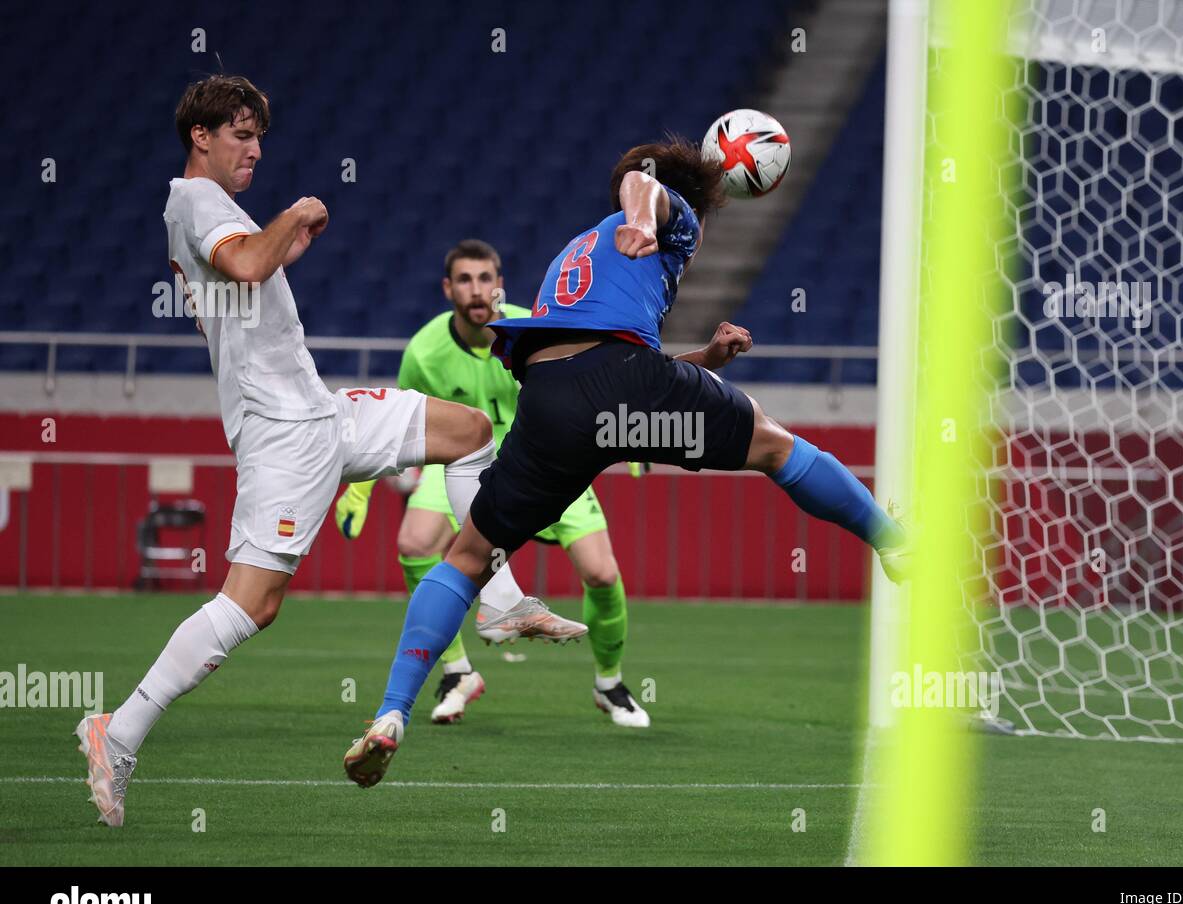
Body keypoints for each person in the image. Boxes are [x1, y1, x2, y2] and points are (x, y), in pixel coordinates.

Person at [343, 134, 908, 789]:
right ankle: (894, 542)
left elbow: (605, 357)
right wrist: (647, 217)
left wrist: (702, 362)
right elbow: (643, 192)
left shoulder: (570, 254)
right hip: (625, 394)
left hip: (556, 406)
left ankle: (390, 714)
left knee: (466, 558)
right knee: (777, 446)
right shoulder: (669, 215)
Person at [75, 74, 560, 827]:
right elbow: (242, 267)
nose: (255, 148)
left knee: (468, 432)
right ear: (200, 137)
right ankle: (119, 730)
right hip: (284, 434)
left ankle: (497, 606)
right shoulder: (197, 199)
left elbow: (242, 281)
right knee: (251, 606)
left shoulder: (213, 211)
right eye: (240, 133)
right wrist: (295, 212)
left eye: (259, 135)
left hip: (321, 413)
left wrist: (284, 244)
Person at [334, 239, 646, 727]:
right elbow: (402, 420)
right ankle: (458, 672)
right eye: (464, 280)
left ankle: (610, 683)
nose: (476, 290)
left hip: (542, 458)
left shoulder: (535, 328)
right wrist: (362, 486)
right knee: (414, 543)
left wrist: (628, 436)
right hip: (459, 459)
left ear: (499, 286)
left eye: (485, 279)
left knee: (602, 574)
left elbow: (591, 381)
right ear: (447, 288)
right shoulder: (425, 350)